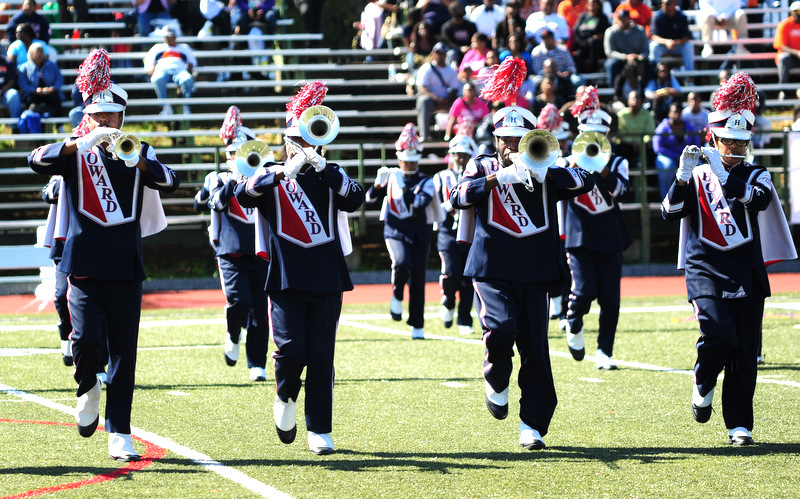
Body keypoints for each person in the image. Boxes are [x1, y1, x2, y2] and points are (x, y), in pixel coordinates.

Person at [28, 49, 180, 461]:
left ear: (123, 119)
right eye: (98, 116)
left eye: (112, 117)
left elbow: (172, 180)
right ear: (87, 117)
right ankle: (88, 388)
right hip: (83, 265)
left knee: (124, 355)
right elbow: (35, 160)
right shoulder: (74, 153)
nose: (106, 123)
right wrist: (79, 143)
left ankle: (120, 432)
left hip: (126, 267)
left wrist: (142, 159)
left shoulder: (137, 153)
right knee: (85, 342)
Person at [450, 57, 594, 450]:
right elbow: (457, 197)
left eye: (519, 139)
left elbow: (584, 181)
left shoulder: (549, 166)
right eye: (505, 139)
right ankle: (496, 377)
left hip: (535, 269)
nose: (511, 145)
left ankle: (533, 425)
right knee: (500, 328)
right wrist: (499, 177)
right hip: (492, 267)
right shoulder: (481, 166)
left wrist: (543, 169)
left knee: (535, 348)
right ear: (494, 140)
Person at [661, 72, 796, 446]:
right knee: (717, 333)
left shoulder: (758, 173)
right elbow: (669, 213)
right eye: (728, 141)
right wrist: (683, 178)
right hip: (705, 267)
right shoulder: (698, 174)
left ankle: (739, 424)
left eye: (741, 141)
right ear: (713, 139)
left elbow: (760, 200)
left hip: (747, 271)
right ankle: (703, 380)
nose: (734, 147)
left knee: (746, 352)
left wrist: (728, 177)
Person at [235, 81, 365, 454]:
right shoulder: (272, 175)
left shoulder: (330, 173)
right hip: (287, 277)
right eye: (298, 140)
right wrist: (283, 171)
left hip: (327, 277)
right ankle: (285, 396)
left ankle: (320, 429)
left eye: (310, 139)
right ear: (287, 141)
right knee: (291, 351)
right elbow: (245, 194)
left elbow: (355, 198)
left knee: (322, 355)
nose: (305, 146)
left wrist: (322, 166)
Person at [195, 106, 270, 382]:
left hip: (261, 250)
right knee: (239, 300)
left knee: (260, 308)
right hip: (230, 250)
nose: (235, 158)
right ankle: (233, 332)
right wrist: (233, 180)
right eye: (231, 154)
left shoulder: (260, 179)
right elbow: (212, 202)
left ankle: (257, 364)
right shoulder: (220, 178)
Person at [562, 86, 632, 369]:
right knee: (583, 291)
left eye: (598, 136)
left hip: (610, 236)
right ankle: (574, 321)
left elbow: (622, 192)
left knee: (610, 300)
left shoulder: (618, 162)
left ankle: (605, 352)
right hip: (579, 236)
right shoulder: (566, 162)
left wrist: (602, 168)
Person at [367, 123, 438, 339]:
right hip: (395, 230)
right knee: (401, 262)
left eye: (412, 161)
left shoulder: (426, 181)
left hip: (418, 233)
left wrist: (404, 187)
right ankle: (397, 295)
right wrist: (378, 185)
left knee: (418, 279)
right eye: (405, 160)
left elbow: (419, 204)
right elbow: (369, 199)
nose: (408, 164)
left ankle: (417, 324)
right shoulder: (391, 176)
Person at [42, 173, 110, 381]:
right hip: (66, 248)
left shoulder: (103, 175)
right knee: (62, 297)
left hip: (93, 247)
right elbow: (48, 194)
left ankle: (98, 364)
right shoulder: (64, 171)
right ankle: (66, 333)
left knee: (99, 306)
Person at [433, 135, 477, 335]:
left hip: (469, 231)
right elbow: (433, 207)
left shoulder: (476, 177)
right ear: (451, 156)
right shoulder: (441, 177)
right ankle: (448, 300)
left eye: (464, 155)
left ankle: (465, 319)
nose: (461, 159)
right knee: (452, 273)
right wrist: (448, 205)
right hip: (447, 231)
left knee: (468, 277)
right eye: (457, 155)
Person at [144, 24, 197, 116]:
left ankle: (185, 105)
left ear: (175, 36)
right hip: (162, 70)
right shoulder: (157, 48)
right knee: (157, 79)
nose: (168, 38)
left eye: (170, 36)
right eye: (166, 36)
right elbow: (149, 62)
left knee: (187, 79)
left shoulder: (184, 48)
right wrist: (152, 71)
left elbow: (192, 63)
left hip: (180, 71)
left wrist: (190, 71)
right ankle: (165, 107)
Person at [653, 101, 700, 199]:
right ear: (669, 113)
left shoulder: (688, 126)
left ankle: (696, 199)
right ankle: (666, 200)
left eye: (679, 112)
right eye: (674, 112)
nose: (676, 115)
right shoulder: (663, 127)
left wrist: (687, 155)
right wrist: (677, 156)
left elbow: (696, 145)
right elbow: (657, 148)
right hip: (667, 156)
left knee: (699, 167)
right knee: (666, 166)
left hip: (686, 156)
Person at [415, 42, 460, 141]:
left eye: (441, 53)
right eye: (437, 53)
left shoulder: (451, 70)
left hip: (447, 99)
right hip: (431, 99)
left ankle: (459, 133)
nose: (439, 55)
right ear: (433, 54)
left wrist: (447, 99)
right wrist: (435, 98)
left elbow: (455, 88)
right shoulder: (426, 68)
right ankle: (425, 135)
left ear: (445, 55)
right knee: (423, 101)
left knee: (459, 102)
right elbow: (421, 88)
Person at [603, 9, 649, 88]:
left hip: (637, 58)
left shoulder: (640, 30)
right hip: (619, 60)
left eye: (624, 18)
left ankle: (645, 90)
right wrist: (625, 57)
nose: (622, 21)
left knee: (651, 64)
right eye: (620, 18)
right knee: (610, 64)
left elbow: (645, 50)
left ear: (629, 19)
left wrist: (639, 57)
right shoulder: (611, 31)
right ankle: (614, 92)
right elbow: (609, 52)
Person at [18, 42, 63, 118]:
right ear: (32, 54)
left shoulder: (51, 65)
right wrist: (34, 90)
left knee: (56, 99)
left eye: (41, 51)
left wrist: (53, 88)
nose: (40, 54)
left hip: (49, 92)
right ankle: (30, 124)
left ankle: (59, 126)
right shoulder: (25, 67)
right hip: (33, 93)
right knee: (30, 100)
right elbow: (22, 83)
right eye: (37, 51)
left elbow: (59, 78)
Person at [615, 90, 655, 171]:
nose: (635, 100)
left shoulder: (647, 115)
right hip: (627, 145)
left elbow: (650, 132)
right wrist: (631, 142)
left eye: (637, 98)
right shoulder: (621, 114)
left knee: (651, 151)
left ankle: (650, 181)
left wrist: (641, 142)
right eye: (633, 98)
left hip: (643, 145)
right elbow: (620, 132)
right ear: (628, 100)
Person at [649, 0, 693, 71]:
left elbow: (686, 37)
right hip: (662, 46)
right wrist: (667, 42)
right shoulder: (657, 17)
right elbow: (654, 36)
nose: (664, 6)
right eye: (662, 3)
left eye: (667, 4)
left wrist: (675, 43)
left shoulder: (682, 17)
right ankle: (652, 74)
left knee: (688, 46)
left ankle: (690, 76)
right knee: (653, 46)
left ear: (674, 4)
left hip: (677, 46)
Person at [571, 0, 610, 73]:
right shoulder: (583, 16)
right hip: (582, 43)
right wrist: (580, 41)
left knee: (592, 42)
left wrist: (592, 39)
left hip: (595, 45)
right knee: (578, 53)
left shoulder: (602, 17)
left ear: (598, 5)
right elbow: (575, 31)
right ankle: (582, 71)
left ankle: (593, 69)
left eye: (594, 3)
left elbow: (604, 33)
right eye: (590, 3)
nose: (592, 5)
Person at [774, 1, 800, 96]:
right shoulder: (784, 25)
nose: (798, 14)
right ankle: (783, 90)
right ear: (791, 12)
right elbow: (781, 46)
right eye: (796, 11)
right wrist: (797, 52)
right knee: (784, 58)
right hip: (791, 57)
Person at [440, 1, 477, 68]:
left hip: (470, 49)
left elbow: (475, 37)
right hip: (455, 51)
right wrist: (459, 48)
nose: (462, 10)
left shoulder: (470, 25)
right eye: (459, 9)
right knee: (451, 53)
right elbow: (448, 43)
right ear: (453, 12)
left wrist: (470, 46)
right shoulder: (447, 27)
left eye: (461, 8)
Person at [0, 55, 21, 126]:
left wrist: (1, 91)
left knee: (14, 94)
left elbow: (11, 81)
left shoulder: (8, 62)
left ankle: (14, 126)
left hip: (4, 93)